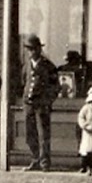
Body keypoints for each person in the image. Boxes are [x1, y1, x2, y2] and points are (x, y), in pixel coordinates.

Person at [22, 34, 59, 170]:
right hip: (29, 105)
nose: (31, 52)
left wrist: (46, 101)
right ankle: (35, 159)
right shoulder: (26, 65)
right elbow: (23, 81)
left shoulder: (49, 66)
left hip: (41, 106)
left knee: (43, 135)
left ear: (39, 49)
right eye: (28, 49)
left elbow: (56, 87)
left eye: (33, 49)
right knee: (30, 134)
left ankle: (44, 162)